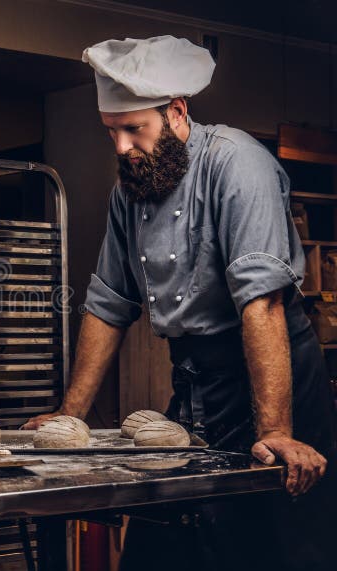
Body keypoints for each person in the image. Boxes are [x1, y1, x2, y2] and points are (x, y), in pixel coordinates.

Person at [23, 36, 336, 571]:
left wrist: (277, 432)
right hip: (196, 383)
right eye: (110, 132)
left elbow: (261, 307)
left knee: (270, 547)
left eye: (132, 129)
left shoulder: (237, 165)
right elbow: (108, 302)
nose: (120, 148)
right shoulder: (129, 193)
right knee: (166, 539)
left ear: (176, 112)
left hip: (268, 376)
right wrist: (69, 415)